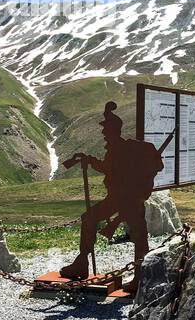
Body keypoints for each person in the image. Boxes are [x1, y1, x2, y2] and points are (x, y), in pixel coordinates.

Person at [59, 101, 163, 294]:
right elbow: (109, 169)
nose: (103, 133)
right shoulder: (117, 148)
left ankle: (141, 277)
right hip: (118, 199)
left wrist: (90, 161)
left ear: (113, 130)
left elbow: (112, 169)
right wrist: (89, 160)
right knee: (90, 218)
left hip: (128, 200)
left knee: (139, 235)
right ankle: (82, 263)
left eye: (105, 130)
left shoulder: (119, 149)